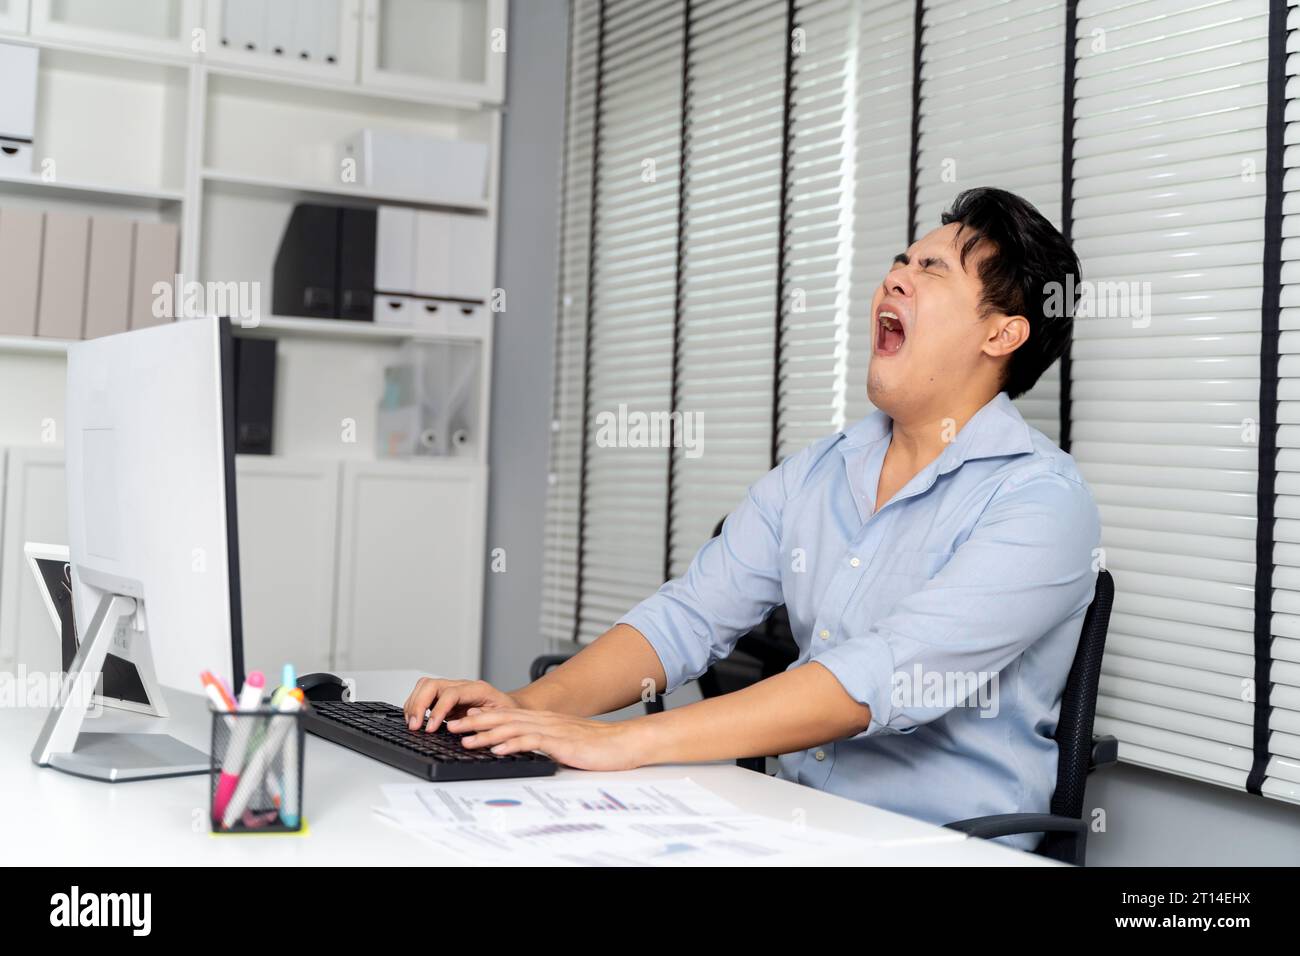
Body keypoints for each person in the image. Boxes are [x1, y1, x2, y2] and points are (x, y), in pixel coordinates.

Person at [404, 187, 1101, 846]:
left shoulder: (1041, 503)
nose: (896, 278)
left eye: (931, 269)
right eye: (900, 260)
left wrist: (621, 741)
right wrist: (528, 709)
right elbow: (689, 617)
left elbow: (879, 678)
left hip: (934, 847)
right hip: (786, 823)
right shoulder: (820, 472)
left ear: (1002, 334)